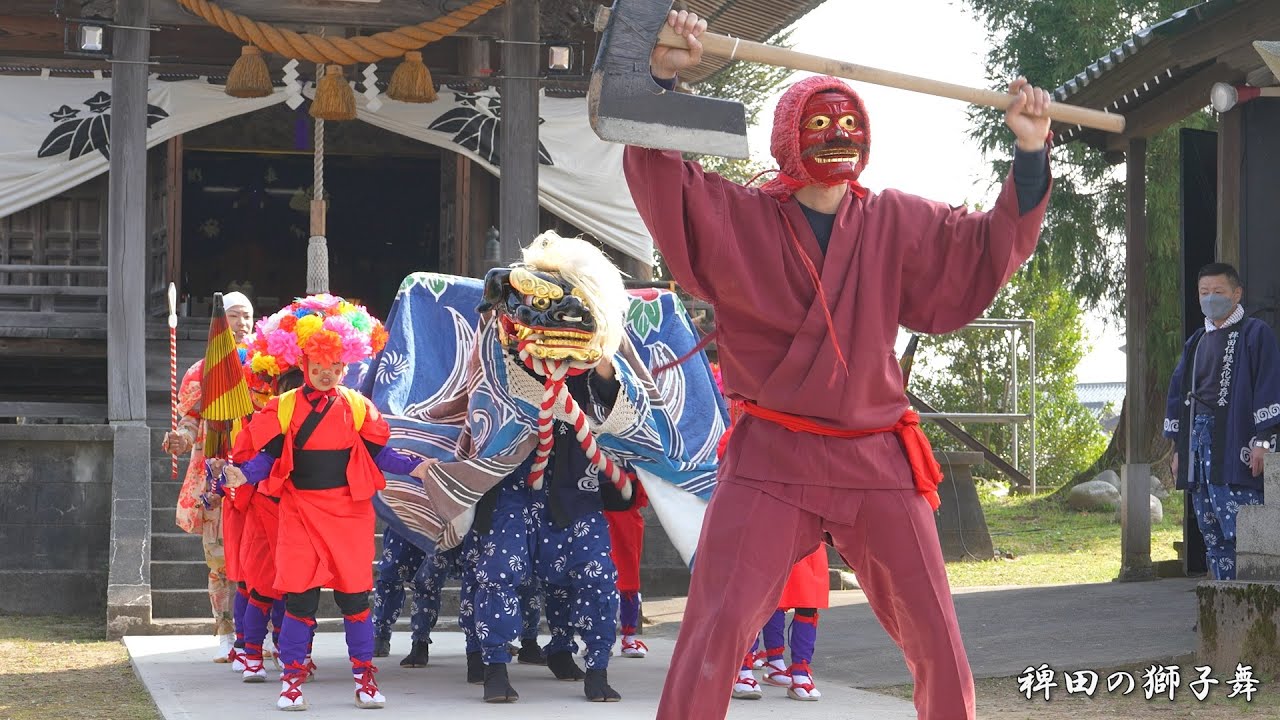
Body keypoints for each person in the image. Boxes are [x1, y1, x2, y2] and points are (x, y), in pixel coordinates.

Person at [621, 11, 1053, 719]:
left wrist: (1031, 154)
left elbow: (982, 248)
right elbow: (664, 177)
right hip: (771, 456)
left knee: (938, 636)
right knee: (715, 628)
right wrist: (661, 77)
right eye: (820, 126)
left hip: (876, 455)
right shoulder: (742, 217)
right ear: (789, 139)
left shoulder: (895, 222)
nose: (839, 136)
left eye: (849, 124)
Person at [224, 294, 425, 711]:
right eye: (318, 368)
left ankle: (365, 681)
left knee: (356, 601)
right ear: (305, 367)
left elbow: (379, 455)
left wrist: (416, 467)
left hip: (349, 514)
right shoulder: (283, 408)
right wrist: (243, 473)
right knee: (299, 600)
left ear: (345, 367)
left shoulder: (357, 406)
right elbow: (266, 456)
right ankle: (292, 683)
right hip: (298, 511)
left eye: (334, 368)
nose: (326, 374)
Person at [1165, 262, 1280, 580]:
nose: (1211, 298)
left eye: (1218, 291)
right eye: (1205, 293)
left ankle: (1255, 606)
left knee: (1244, 527)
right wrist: (1179, 449)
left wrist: (1263, 439)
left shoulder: (1256, 333)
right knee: (1210, 530)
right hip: (1198, 442)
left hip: (1235, 438)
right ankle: (1224, 607)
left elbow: (1268, 385)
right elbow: (1178, 395)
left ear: (1237, 293)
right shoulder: (1197, 341)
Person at [162, 291, 254, 665]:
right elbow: (189, 421)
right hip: (214, 479)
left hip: (254, 475)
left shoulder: (264, 367)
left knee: (258, 559)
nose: (242, 324)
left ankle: (258, 633)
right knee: (219, 562)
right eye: (234, 316)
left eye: (247, 317)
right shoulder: (200, 372)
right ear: (220, 323)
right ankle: (225, 629)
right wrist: (180, 439)